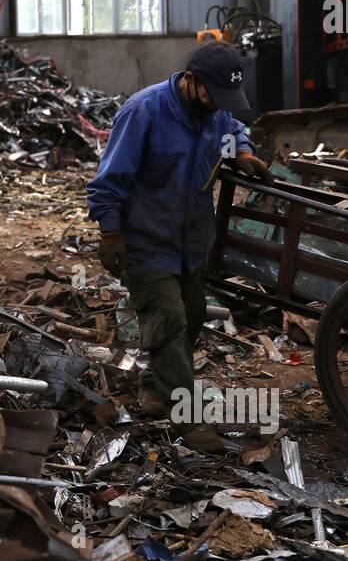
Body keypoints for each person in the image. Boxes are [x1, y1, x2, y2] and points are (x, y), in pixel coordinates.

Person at [87, 40, 272, 411]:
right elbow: (108, 181)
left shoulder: (215, 112)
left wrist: (244, 150)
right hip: (146, 239)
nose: (218, 105)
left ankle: (157, 389)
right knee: (168, 317)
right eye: (213, 95)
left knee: (192, 313)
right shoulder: (143, 113)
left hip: (190, 240)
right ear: (190, 80)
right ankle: (184, 413)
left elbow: (232, 127)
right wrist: (110, 233)